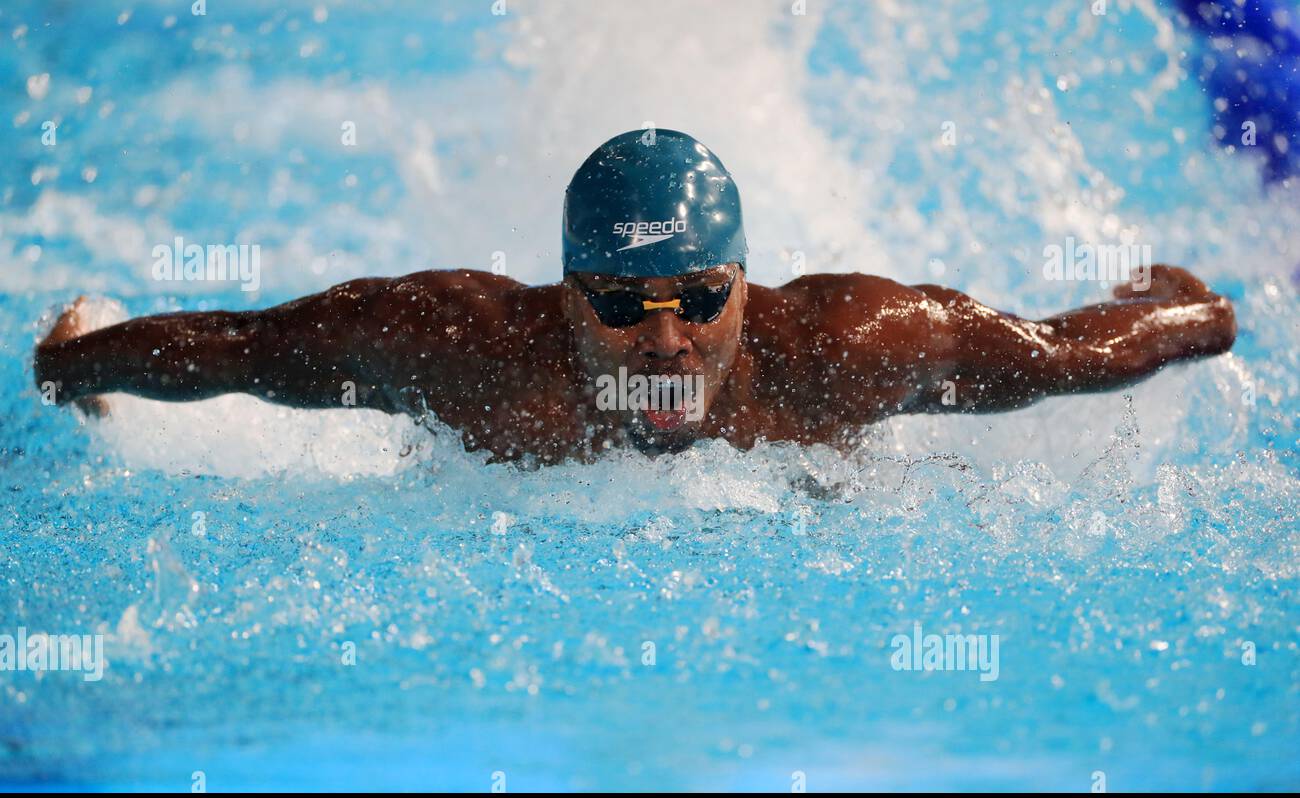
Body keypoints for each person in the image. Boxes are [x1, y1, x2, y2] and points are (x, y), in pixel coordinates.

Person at [34, 129, 1236, 463]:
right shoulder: (458, 349)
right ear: (562, 297)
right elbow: (248, 346)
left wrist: (1193, 310)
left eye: (696, 298)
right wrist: (72, 362)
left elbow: (1068, 351)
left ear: (742, 284)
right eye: (619, 303)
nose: (662, 336)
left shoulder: (850, 347)